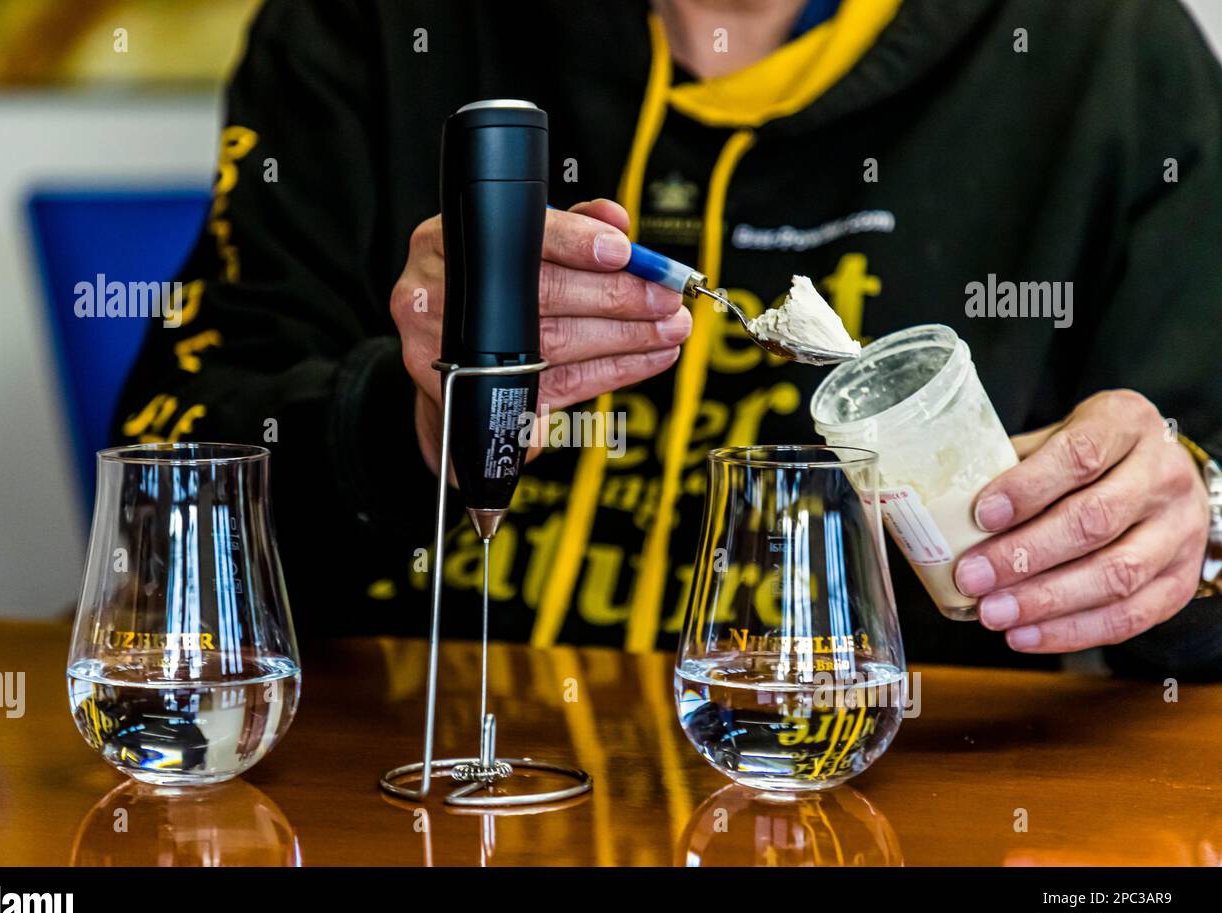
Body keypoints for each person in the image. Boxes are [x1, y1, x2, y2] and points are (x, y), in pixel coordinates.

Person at [113, 0, 1222, 677]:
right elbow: (161, 516)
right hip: (408, 784)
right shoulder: (362, 27)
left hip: (894, 806)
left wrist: (1181, 529)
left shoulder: (1115, 61)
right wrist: (413, 419)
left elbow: (1199, 516)